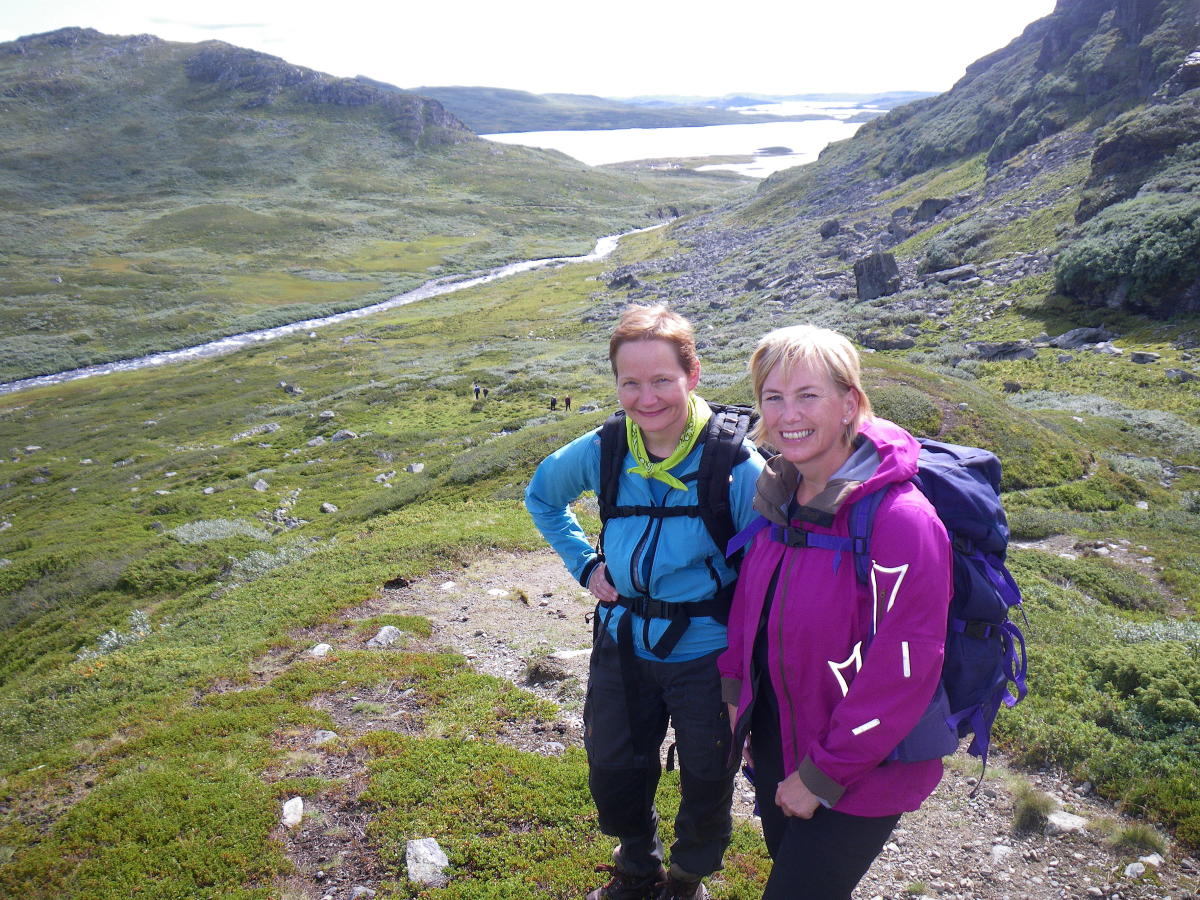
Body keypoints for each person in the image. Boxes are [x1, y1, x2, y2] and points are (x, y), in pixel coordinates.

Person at [525, 304, 765, 900]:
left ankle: (686, 879)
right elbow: (542, 497)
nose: (645, 397)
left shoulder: (734, 465)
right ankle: (637, 864)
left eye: (661, 379)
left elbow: (767, 569)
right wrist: (586, 565)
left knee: (709, 776)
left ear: (693, 374)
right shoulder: (605, 449)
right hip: (621, 639)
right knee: (612, 765)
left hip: (708, 652)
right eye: (629, 382)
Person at [717, 325, 952, 900]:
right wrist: (735, 698)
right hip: (778, 739)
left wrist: (822, 776)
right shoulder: (782, 491)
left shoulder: (902, 520)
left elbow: (905, 668)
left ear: (850, 404)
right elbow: (751, 603)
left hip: (861, 769)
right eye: (773, 397)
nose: (787, 413)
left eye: (808, 395)